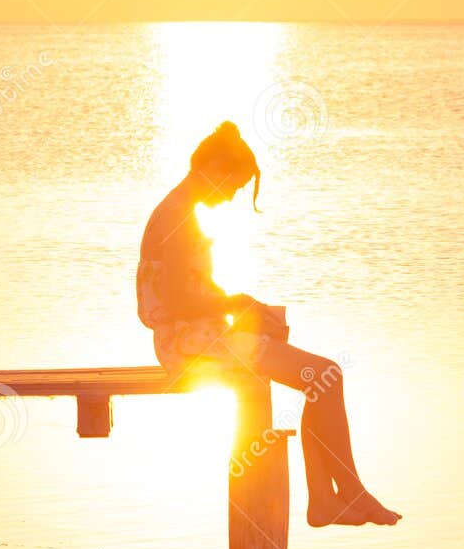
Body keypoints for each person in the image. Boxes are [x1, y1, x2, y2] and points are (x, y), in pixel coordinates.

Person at [138, 121, 400, 527]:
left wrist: (245, 310)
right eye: (233, 187)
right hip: (188, 345)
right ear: (213, 170)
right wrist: (239, 302)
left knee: (319, 377)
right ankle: (343, 495)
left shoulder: (180, 211)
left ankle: (330, 499)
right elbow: (177, 301)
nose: (230, 198)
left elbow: (190, 291)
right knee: (324, 375)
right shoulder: (176, 217)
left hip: (200, 338)